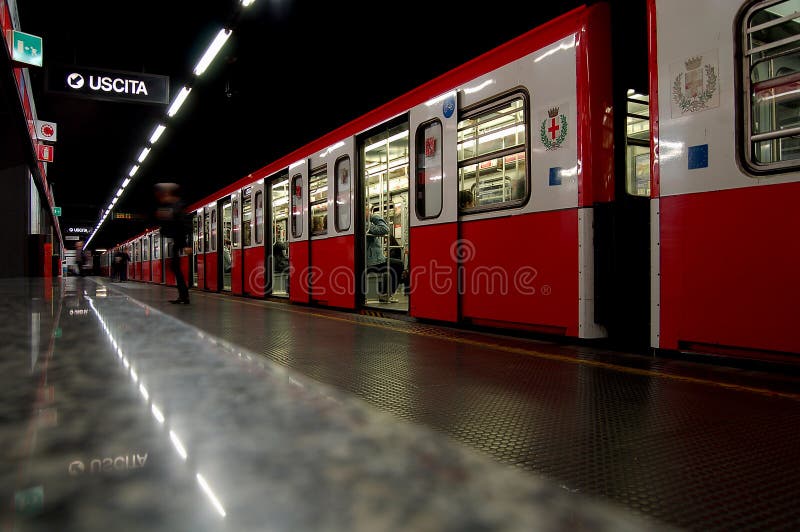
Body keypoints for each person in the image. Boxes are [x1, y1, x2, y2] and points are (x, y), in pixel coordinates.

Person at [154, 182, 191, 304]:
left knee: (175, 267)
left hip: (179, 240)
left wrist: (186, 244)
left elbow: (183, 225)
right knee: (174, 267)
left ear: (166, 193)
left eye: (160, 194)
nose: (159, 197)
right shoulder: (171, 206)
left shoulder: (177, 206)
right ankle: (183, 295)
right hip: (177, 241)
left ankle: (184, 296)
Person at [366, 208, 404, 303]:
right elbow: (385, 229)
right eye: (368, 211)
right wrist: (372, 216)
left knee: (392, 266)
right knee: (398, 265)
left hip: (372, 260)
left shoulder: (366, 225)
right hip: (372, 262)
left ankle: (384, 292)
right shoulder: (366, 225)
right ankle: (385, 294)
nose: (370, 213)